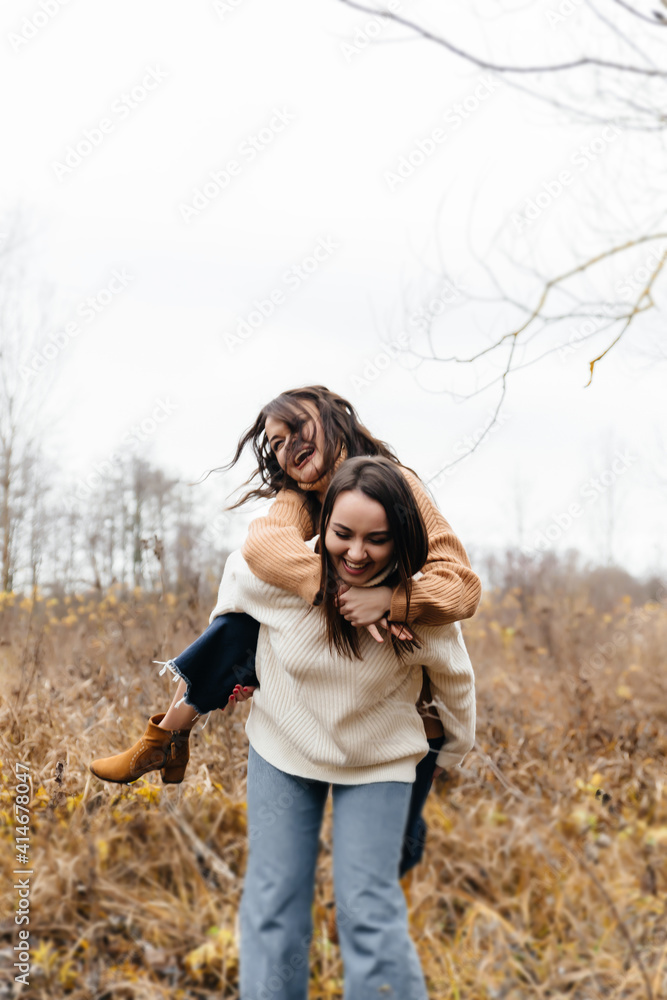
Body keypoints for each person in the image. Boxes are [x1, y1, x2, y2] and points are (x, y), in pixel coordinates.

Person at [89, 385, 480, 869]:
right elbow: (262, 546)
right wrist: (337, 590)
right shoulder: (301, 496)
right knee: (251, 600)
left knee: (390, 852)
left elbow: (461, 584)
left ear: (336, 421)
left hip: (405, 696)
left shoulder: (392, 483)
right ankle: (170, 735)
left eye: (298, 427)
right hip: (335, 676)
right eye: (276, 442)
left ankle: (378, 888)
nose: (287, 445)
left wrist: (389, 599)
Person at [214, 455, 476, 1000]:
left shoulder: (418, 605)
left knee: (367, 907)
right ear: (325, 524)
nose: (357, 553)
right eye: (343, 535)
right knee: (275, 896)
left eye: (377, 540)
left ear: (399, 537)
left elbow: (455, 682)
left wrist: (449, 755)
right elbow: (232, 599)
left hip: (379, 757)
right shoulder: (281, 575)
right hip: (283, 744)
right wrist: (238, 672)